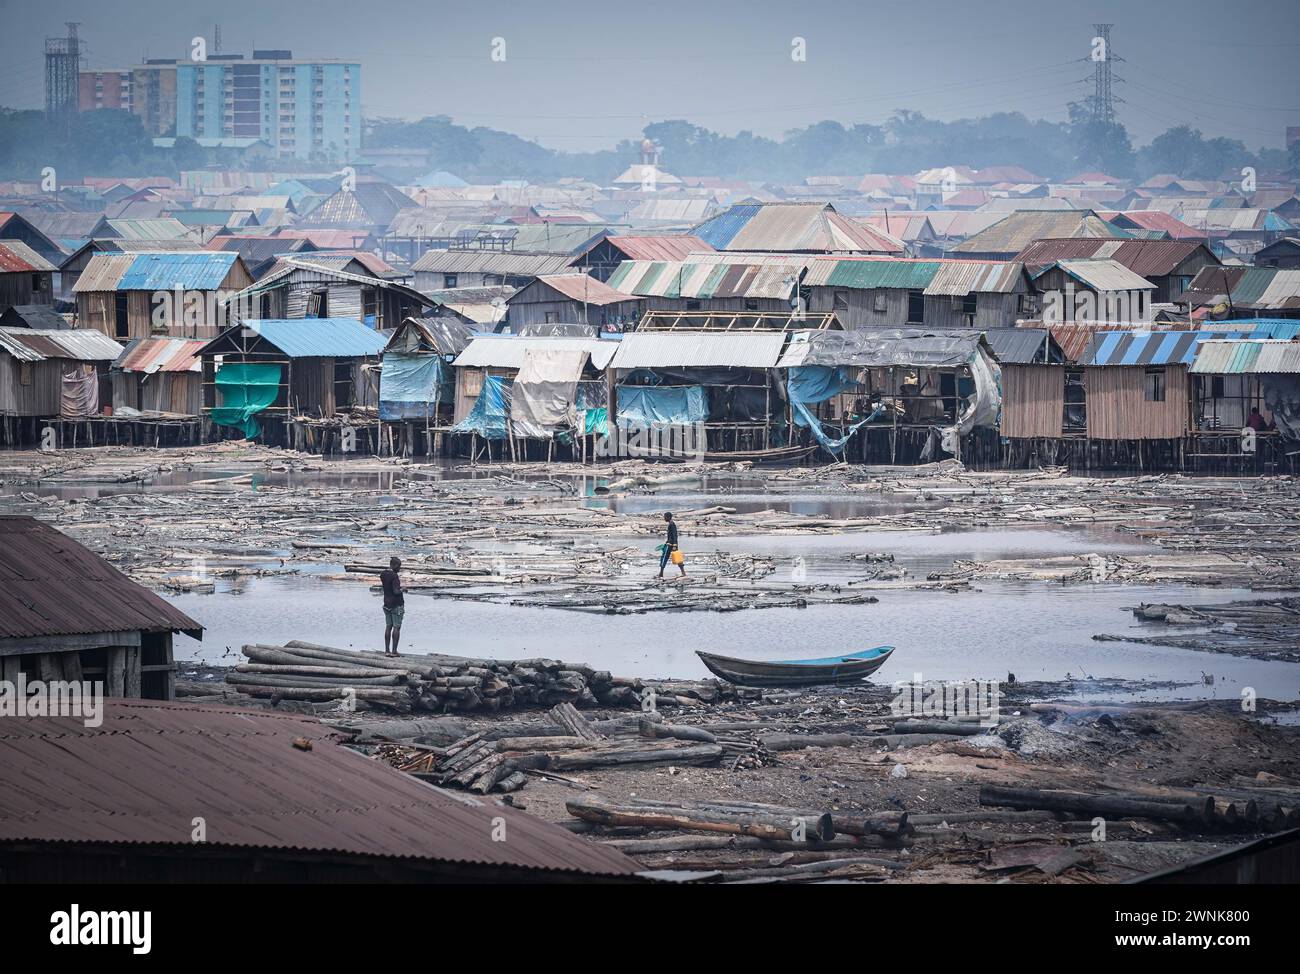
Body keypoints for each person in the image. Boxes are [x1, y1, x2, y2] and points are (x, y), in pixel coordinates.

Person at [379, 556, 404, 654]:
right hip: (396, 605)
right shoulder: (394, 576)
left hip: (386, 603)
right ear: (394, 565)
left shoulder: (383, 574)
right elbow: (396, 591)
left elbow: (387, 587)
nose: (399, 568)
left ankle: (387, 650)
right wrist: (403, 589)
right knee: (396, 627)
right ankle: (394, 651)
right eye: (398, 566)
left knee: (388, 626)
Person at [658, 512, 686, 579]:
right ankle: (683, 572)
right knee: (678, 558)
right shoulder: (671, 524)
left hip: (670, 545)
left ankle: (661, 573)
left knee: (664, 558)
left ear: (667, 517)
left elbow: (674, 535)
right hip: (671, 544)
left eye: (665, 517)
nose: (664, 518)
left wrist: (674, 545)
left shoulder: (671, 524)